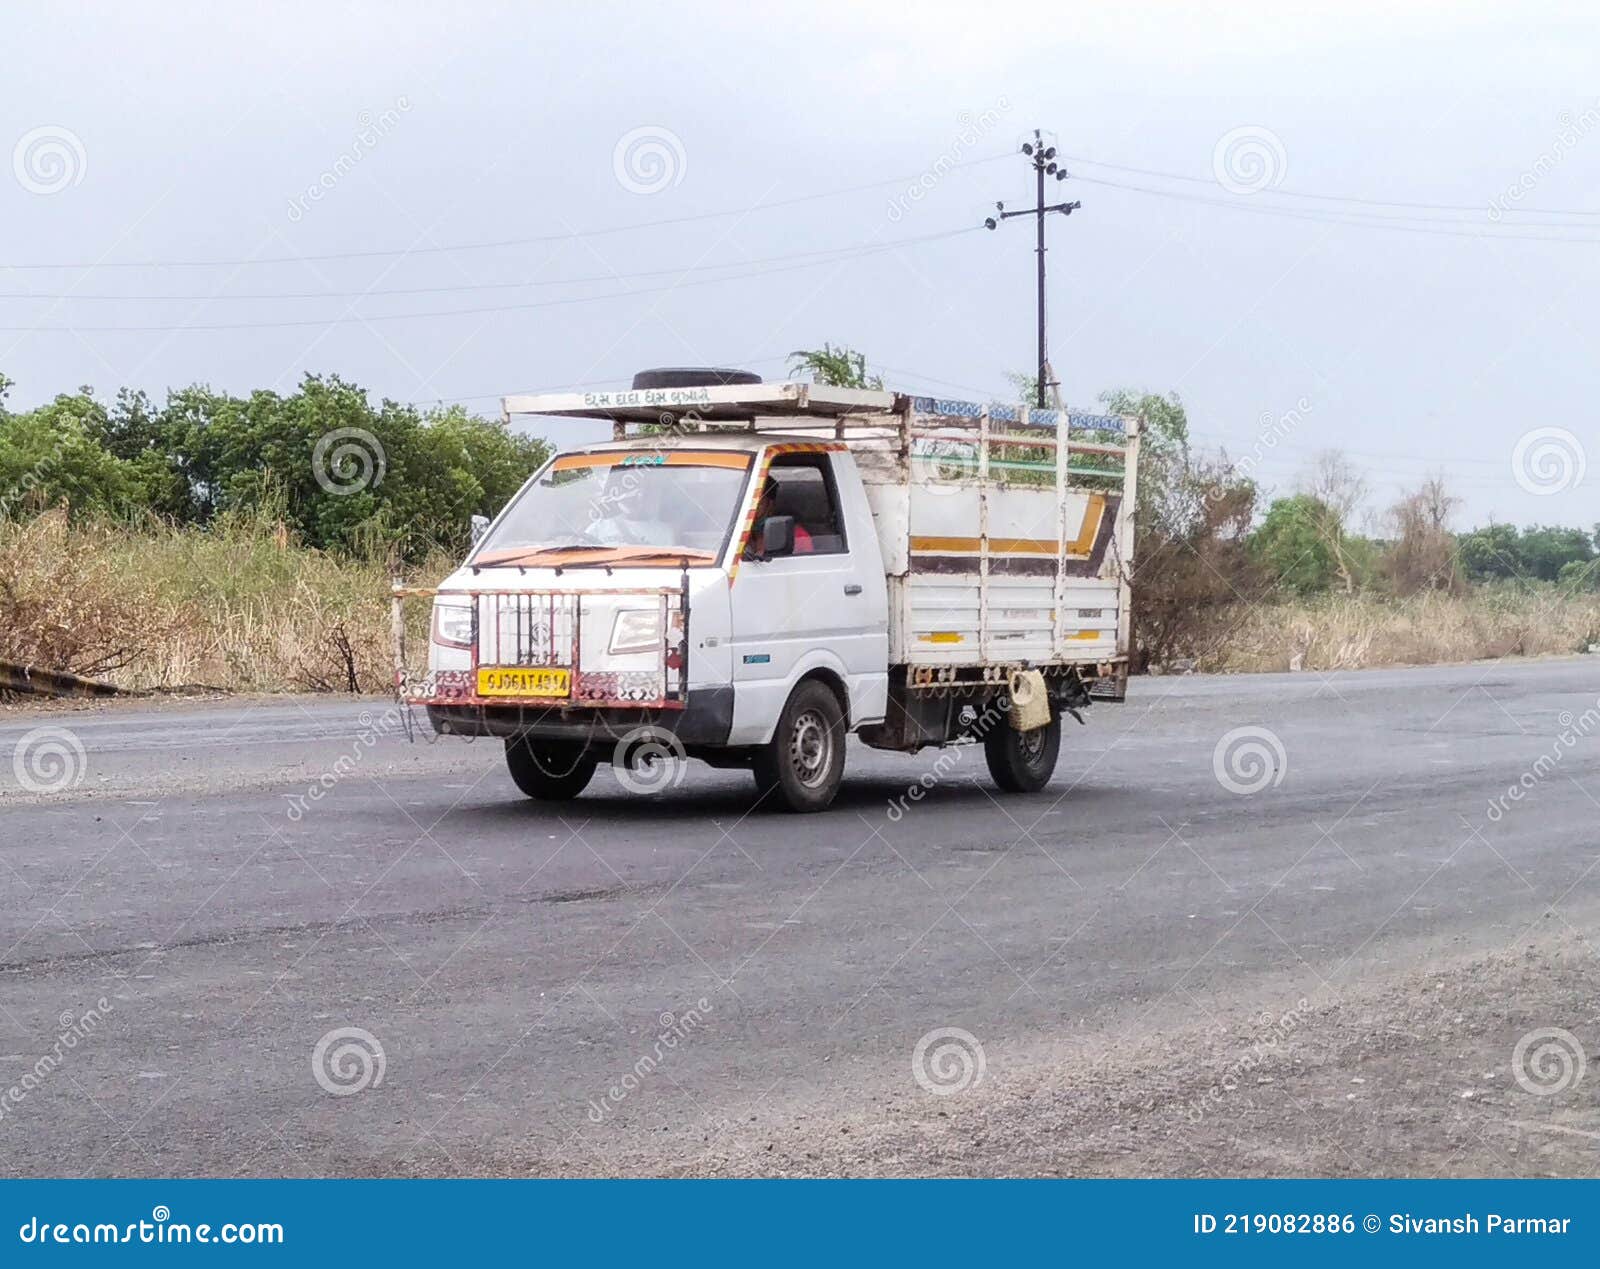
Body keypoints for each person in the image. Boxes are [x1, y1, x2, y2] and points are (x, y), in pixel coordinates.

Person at [752, 475, 813, 554]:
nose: (751, 508)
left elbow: (805, 563)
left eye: (758, 503)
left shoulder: (795, 534)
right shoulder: (737, 531)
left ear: (770, 505)